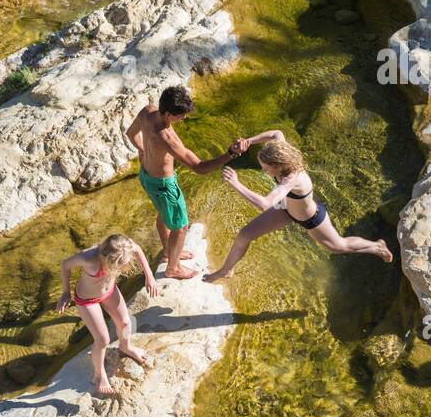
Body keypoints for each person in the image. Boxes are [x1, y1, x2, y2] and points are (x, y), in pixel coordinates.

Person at [207, 129, 393, 281]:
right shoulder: (282, 153)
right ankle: (226, 270)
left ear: (279, 165)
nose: (264, 172)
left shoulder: (291, 179)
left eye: (265, 168)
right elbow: (276, 134)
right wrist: (248, 141)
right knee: (244, 235)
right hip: (286, 209)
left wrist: (236, 183)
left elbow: (264, 204)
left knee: (338, 246)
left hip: (310, 218)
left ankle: (376, 246)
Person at [125, 85, 246, 279]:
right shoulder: (166, 137)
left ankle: (168, 252)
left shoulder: (148, 112)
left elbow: (130, 134)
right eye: (180, 115)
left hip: (146, 176)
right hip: (164, 185)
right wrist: (230, 154)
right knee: (181, 227)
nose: (184, 118)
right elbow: (199, 167)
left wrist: (143, 151)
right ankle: (173, 268)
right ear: (167, 114)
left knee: (163, 213)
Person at [56, 234, 157, 396]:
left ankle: (126, 346)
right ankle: (99, 373)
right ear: (108, 259)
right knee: (103, 339)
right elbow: (65, 265)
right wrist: (66, 292)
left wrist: (149, 275)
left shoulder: (124, 246)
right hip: (87, 300)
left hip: (109, 291)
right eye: (121, 265)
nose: (125, 267)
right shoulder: (87, 258)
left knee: (126, 322)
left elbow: (136, 250)